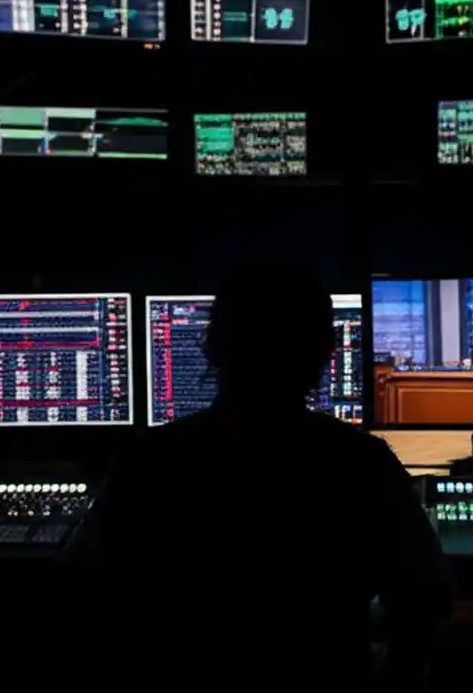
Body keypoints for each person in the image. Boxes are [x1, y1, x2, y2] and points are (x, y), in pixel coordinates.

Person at [109, 259, 454, 691]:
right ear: (326, 353)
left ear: (214, 346)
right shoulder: (363, 463)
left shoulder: (147, 462)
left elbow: (88, 589)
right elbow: (430, 595)